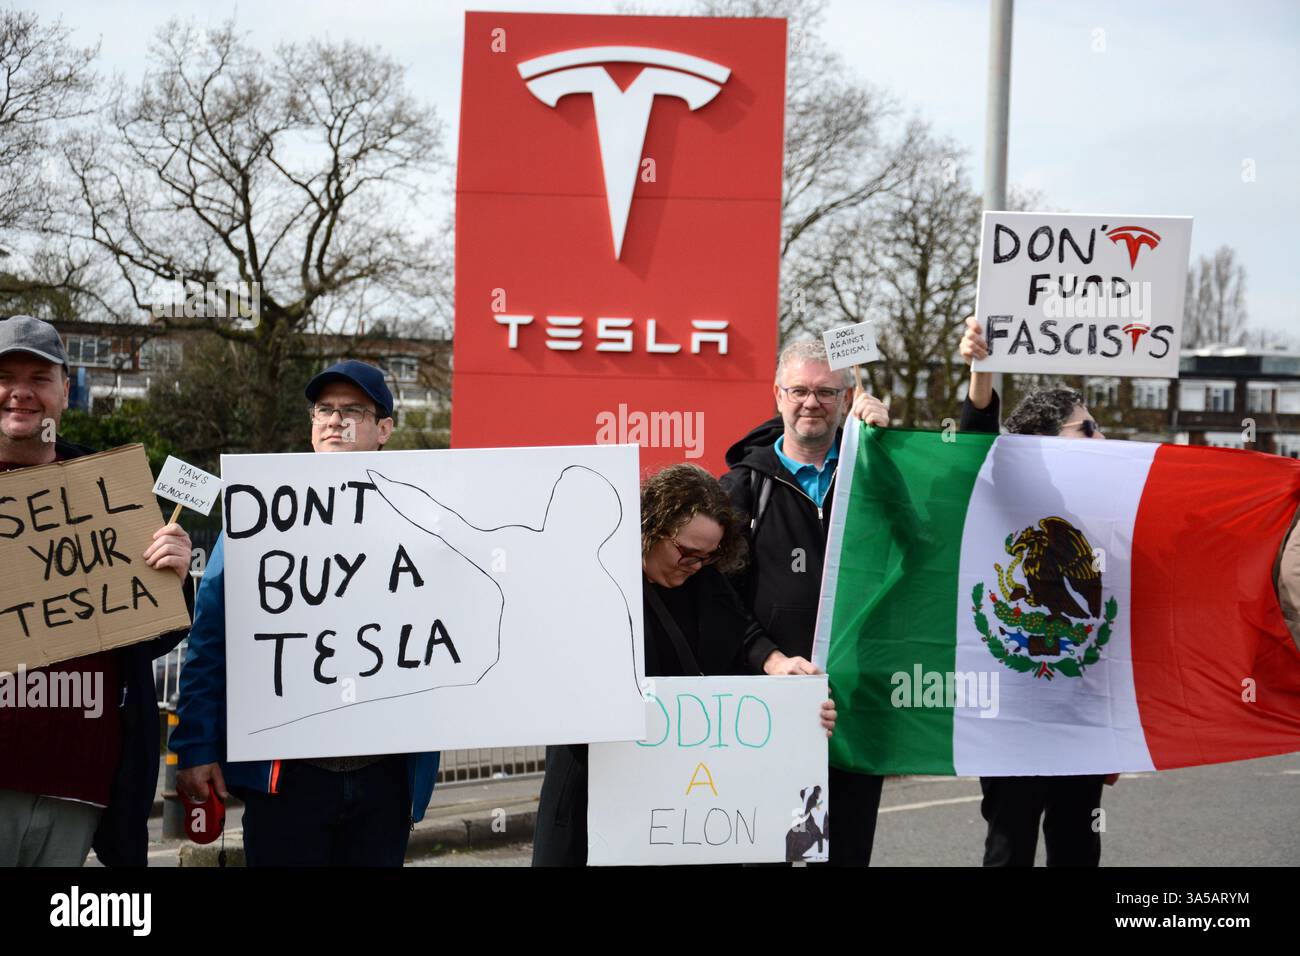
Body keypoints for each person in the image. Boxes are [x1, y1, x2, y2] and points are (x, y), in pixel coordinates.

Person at [172, 360, 439, 866]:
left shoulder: (422, 513)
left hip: (385, 777)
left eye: (353, 410)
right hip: (288, 779)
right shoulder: (261, 511)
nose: (335, 420)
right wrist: (196, 747)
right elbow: (212, 635)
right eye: (324, 410)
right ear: (311, 425)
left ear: (384, 429)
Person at [531, 463, 837, 866]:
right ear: (651, 525)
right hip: (592, 800)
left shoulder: (704, 582)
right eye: (686, 552)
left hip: (676, 816)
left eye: (707, 557)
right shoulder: (595, 581)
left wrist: (791, 690)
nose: (693, 565)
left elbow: (743, 638)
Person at [0, 314, 194, 867]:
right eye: (6, 376)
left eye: (38, 378)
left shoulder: (112, 495)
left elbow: (147, 641)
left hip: (79, 788)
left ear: (65, 390)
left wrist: (174, 580)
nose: (20, 392)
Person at [718, 339, 888, 866]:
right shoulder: (742, 488)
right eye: (798, 390)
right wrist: (767, 657)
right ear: (777, 395)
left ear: (847, 397)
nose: (810, 402)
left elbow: (924, 544)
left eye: (824, 391)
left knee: (845, 856)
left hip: (853, 711)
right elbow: (716, 597)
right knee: (772, 857)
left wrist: (887, 448)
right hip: (770, 709)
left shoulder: (873, 474)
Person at [959, 316, 1117, 867]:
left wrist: (1120, 722)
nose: (1102, 437)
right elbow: (976, 444)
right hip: (1013, 712)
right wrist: (983, 374)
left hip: (1081, 713)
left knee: (1078, 845)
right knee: (1010, 846)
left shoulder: (1109, 509)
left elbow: (1115, 624)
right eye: (1087, 428)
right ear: (1042, 444)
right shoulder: (1014, 486)